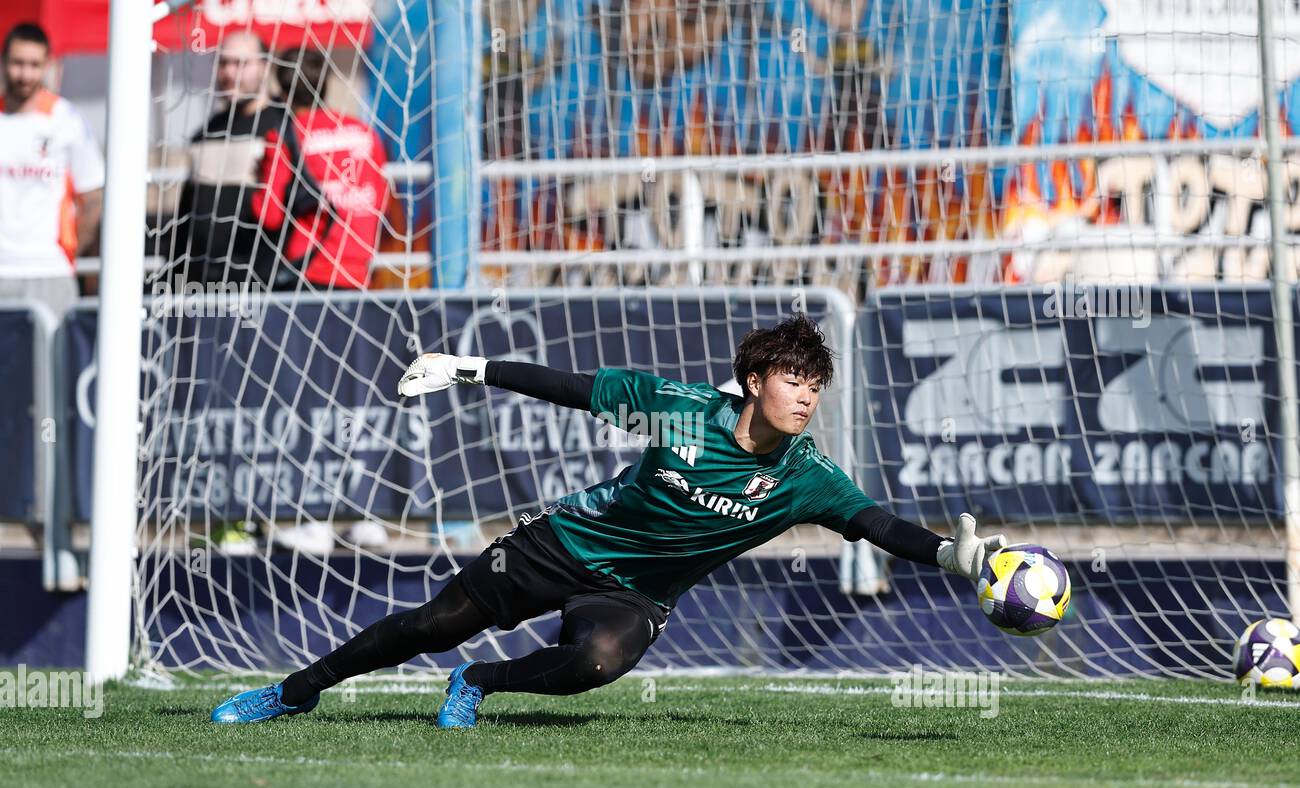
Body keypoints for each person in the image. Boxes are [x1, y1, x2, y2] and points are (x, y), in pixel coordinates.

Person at [210, 317, 1007, 727]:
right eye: (794, 380)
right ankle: (294, 692)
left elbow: (873, 522)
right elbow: (574, 386)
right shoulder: (684, 410)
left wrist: (948, 556)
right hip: (562, 544)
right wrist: (467, 367)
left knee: (593, 663)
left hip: (635, 595)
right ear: (754, 379)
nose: (806, 396)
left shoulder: (807, 478)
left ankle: (478, 683)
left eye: (815, 386)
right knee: (431, 622)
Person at [172, 31, 317, 289]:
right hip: (203, 285)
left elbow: (305, 210)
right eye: (224, 63)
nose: (230, 73)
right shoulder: (205, 134)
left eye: (241, 64)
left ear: (265, 66)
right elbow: (186, 216)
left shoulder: (286, 128)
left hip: (260, 284)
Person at [251, 47, 389, 290]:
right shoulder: (364, 132)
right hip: (358, 268)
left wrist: (257, 179)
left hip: (309, 270)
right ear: (325, 85)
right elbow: (382, 198)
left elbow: (269, 215)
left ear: (283, 94)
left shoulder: (286, 136)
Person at [0, 22, 103, 321]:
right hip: (2, 269)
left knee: (52, 367)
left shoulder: (66, 119)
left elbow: (93, 195)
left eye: (34, 64)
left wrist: (68, 251)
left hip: (49, 270)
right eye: (18, 63)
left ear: (47, 65)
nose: (25, 74)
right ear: (5, 62)